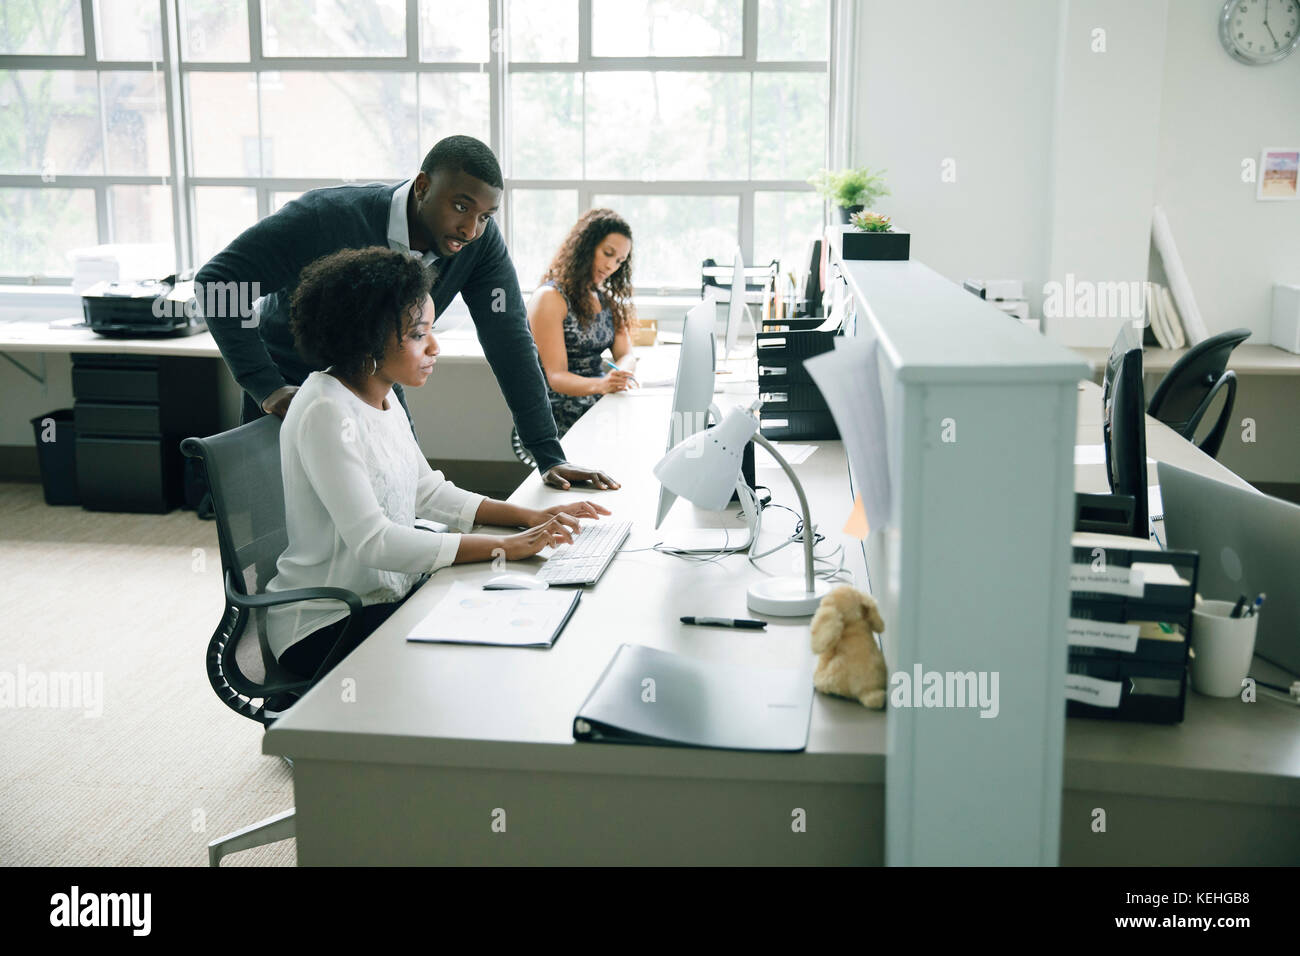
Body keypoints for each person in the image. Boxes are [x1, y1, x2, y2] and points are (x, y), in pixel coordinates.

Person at [264, 246, 610, 685]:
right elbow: (375, 542)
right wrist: (507, 546)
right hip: (325, 624)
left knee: (520, 626)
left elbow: (425, 491)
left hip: (385, 597)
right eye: (417, 334)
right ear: (367, 335)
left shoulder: (382, 394)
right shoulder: (326, 410)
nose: (434, 346)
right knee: (481, 667)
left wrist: (530, 518)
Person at [195, 134, 617, 491]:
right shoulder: (327, 217)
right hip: (291, 391)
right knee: (283, 533)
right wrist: (266, 385)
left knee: (407, 502)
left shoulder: (478, 244)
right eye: (460, 207)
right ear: (422, 187)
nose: (470, 230)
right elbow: (219, 280)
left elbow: (509, 339)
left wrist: (548, 454)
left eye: (485, 216)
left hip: (377, 387)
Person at [527, 208, 637, 438]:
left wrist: (621, 374)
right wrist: (604, 384)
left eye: (619, 261)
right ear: (586, 247)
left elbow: (626, 353)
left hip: (599, 400)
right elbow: (556, 378)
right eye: (608, 253)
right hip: (562, 412)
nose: (611, 266)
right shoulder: (550, 298)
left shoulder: (605, 299)